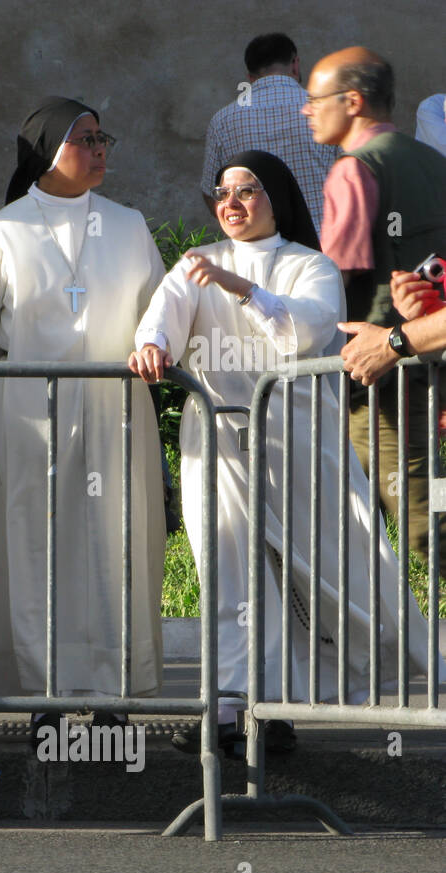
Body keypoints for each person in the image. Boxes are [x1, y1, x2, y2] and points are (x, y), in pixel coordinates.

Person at [131, 151, 431, 755]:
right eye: (222, 193)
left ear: (277, 198)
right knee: (227, 569)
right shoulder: (199, 264)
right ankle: (228, 710)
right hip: (217, 442)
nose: (232, 203)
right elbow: (163, 316)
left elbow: (308, 334)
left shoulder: (308, 265)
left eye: (247, 191)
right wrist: (153, 345)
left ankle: (281, 706)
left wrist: (244, 290)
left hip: (296, 442)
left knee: (305, 570)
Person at [0, 97, 167, 716]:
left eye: (105, 138)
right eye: (87, 139)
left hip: (115, 408)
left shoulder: (129, 225)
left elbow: (158, 312)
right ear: (50, 150)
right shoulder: (2, 232)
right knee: (34, 545)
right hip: (28, 415)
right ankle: (40, 686)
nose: (101, 149)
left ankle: (112, 686)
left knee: (116, 541)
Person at [304, 46, 446, 562]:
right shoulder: (433, 160)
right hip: (428, 361)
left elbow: (332, 280)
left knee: (412, 514)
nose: (307, 109)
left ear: (354, 101)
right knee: (424, 485)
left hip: (377, 373)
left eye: (315, 99)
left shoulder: (354, 170)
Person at [201, 34, 339, 229]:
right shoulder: (327, 110)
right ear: (295, 64)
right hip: (322, 243)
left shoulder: (223, 120)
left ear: (250, 77)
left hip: (258, 248)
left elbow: (211, 192)